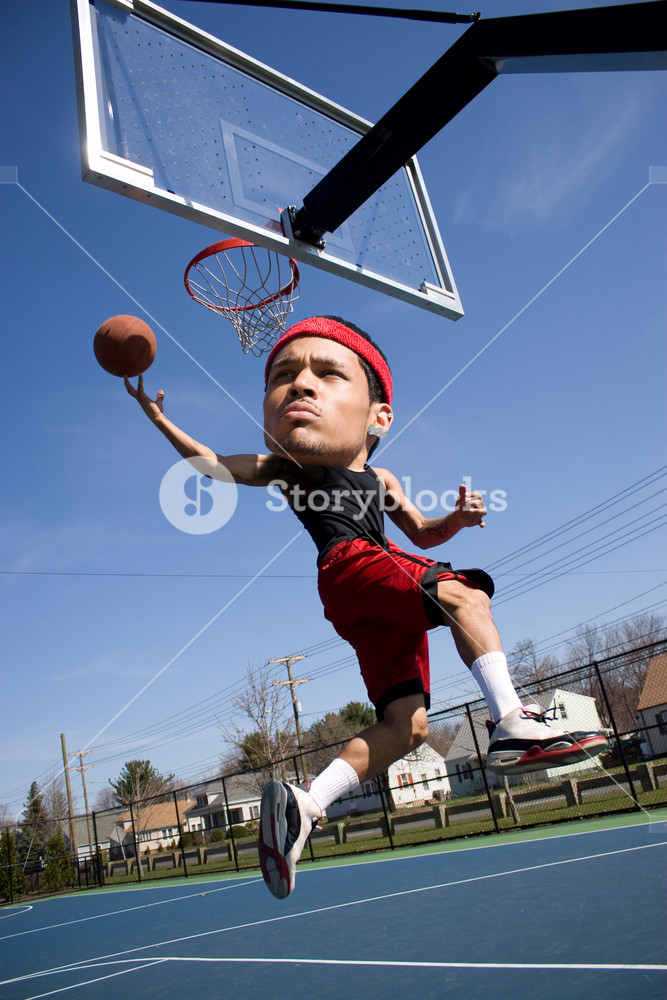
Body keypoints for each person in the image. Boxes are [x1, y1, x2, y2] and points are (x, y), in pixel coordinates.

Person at [126, 314, 606, 899]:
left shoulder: (382, 478)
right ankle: (511, 722)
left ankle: (307, 804)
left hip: (365, 591)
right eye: (285, 375)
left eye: (327, 373)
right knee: (466, 595)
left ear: (378, 417)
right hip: (350, 563)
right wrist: (158, 417)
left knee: (407, 725)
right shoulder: (291, 467)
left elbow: (424, 534)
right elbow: (214, 465)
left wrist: (455, 520)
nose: (301, 385)